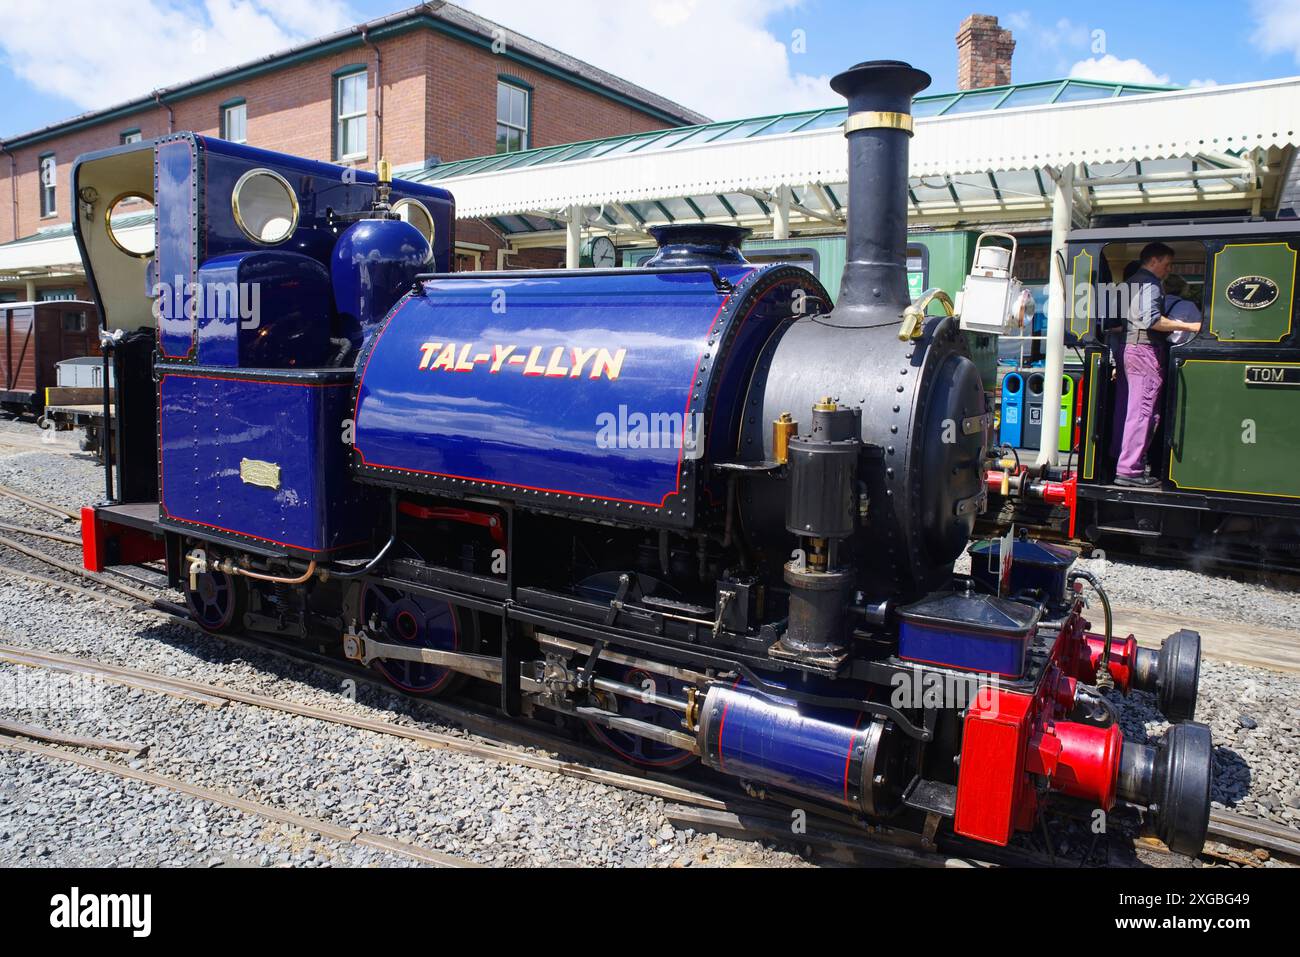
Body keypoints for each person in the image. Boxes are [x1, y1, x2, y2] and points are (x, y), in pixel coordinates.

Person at [1113, 243, 1201, 487]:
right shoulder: (1150, 283)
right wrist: (1192, 327)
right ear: (1154, 261)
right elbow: (1152, 320)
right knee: (1143, 413)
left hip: (1128, 348)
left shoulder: (1130, 281)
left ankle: (1125, 464)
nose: (1168, 269)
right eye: (1167, 264)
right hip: (1144, 350)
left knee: (1131, 411)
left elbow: (1123, 321)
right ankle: (1129, 470)